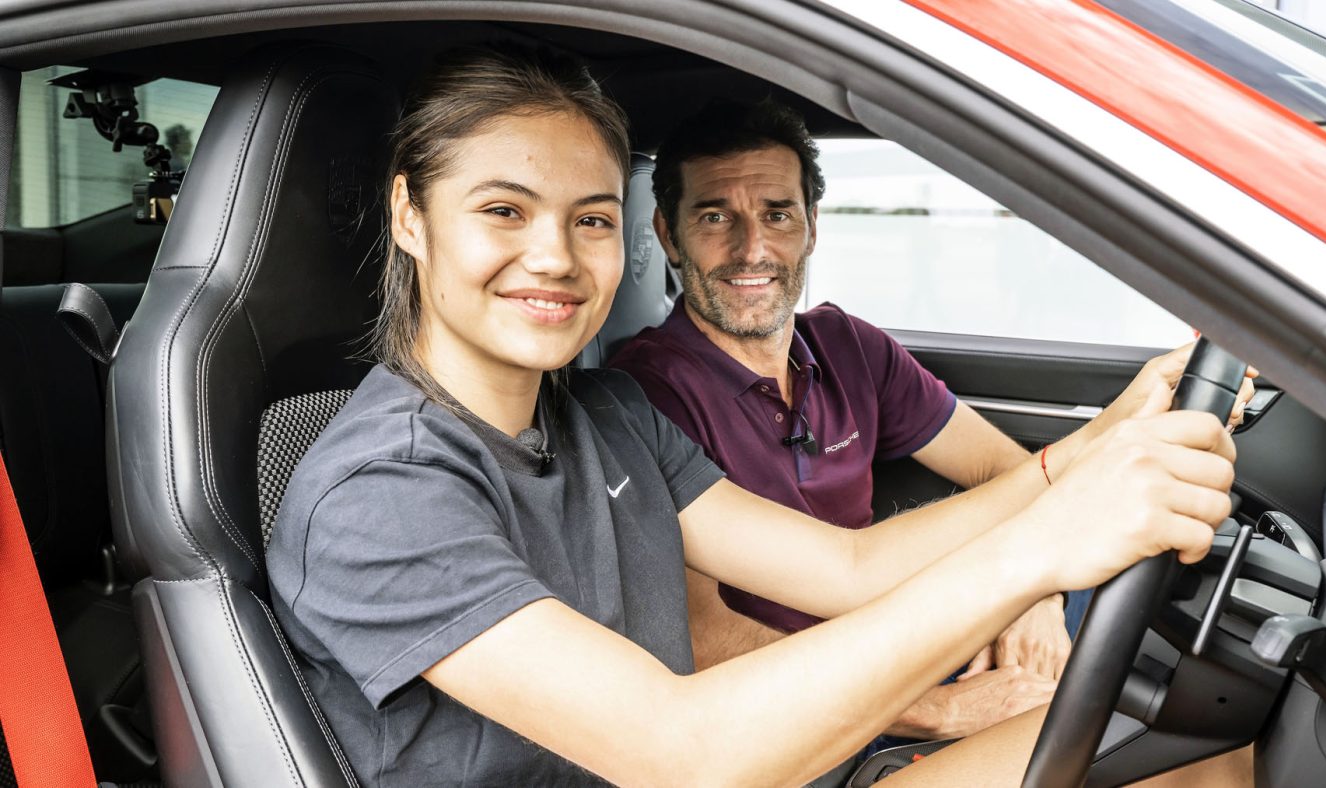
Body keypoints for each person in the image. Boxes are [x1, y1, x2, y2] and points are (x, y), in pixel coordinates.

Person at [266, 46, 1246, 786]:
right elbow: (678, 748)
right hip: (711, 761)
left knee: (1190, 741)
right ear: (408, 217)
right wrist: (1034, 557)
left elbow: (843, 566)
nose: (556, 256)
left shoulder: (601, 414)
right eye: (504, 210)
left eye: (590, 217)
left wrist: (1089, 454)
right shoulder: (377, 494)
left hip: (781, 764)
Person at [609, 99, 1255, 742]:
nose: (751, 249)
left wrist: (1031, 596)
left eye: (777, 214)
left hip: (923, 638)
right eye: (715, 215)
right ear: (669, 233)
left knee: (1179, 651)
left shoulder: (847, 346)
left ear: (811, 226)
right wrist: (938, 712)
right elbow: (708, 642)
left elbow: (996, 467)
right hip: (803, 715)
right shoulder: (645, 396)